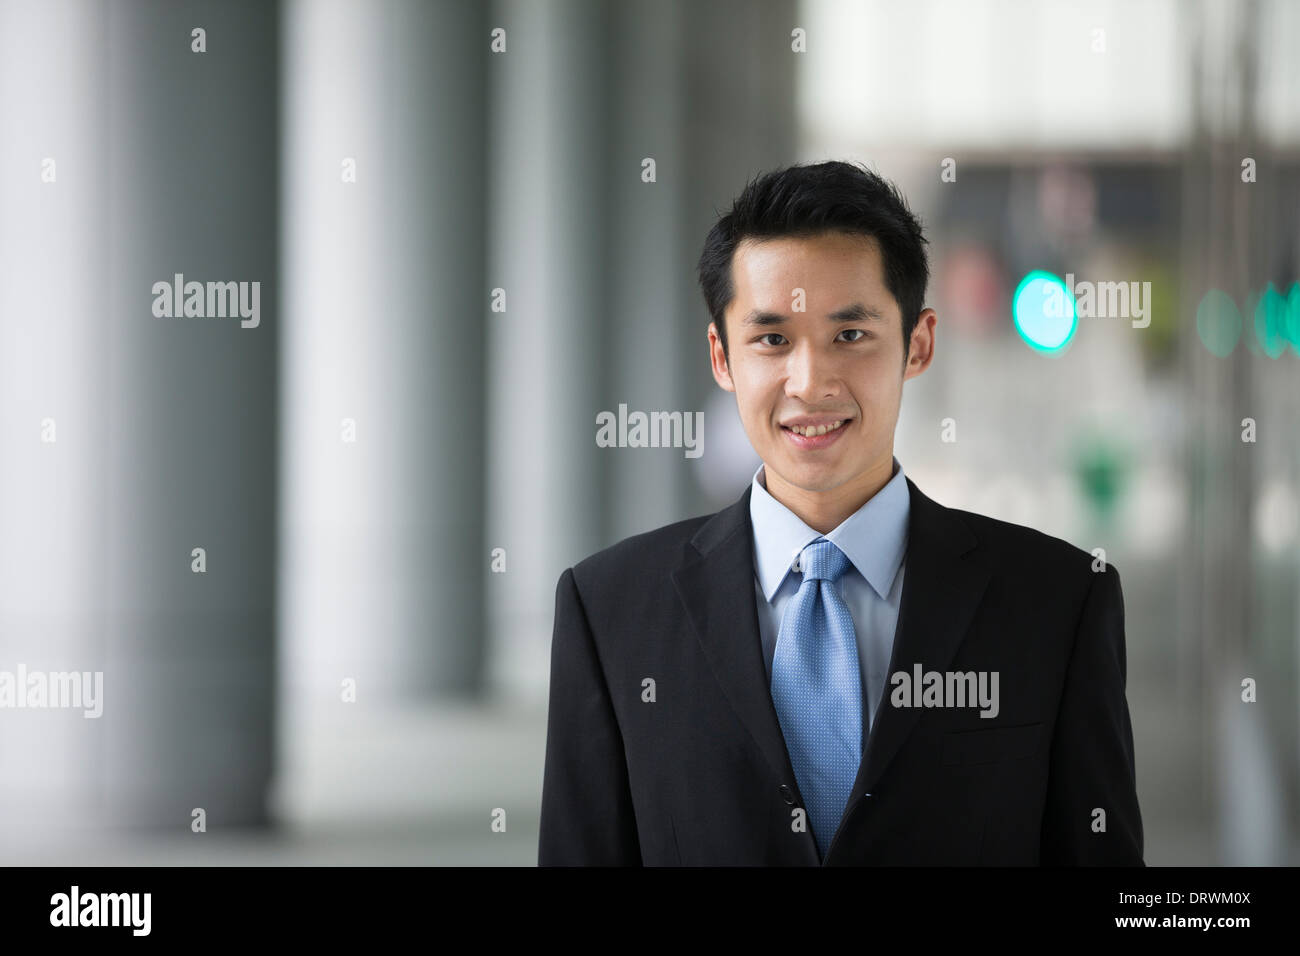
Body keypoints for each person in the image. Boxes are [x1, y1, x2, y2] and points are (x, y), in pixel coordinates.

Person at [538, 160, 1144, 865]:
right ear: (721, 356)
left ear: (918, 344)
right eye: (771, 339)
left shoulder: (1057, 604)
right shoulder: (610, 612)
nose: (811, 381)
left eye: (849, 335)